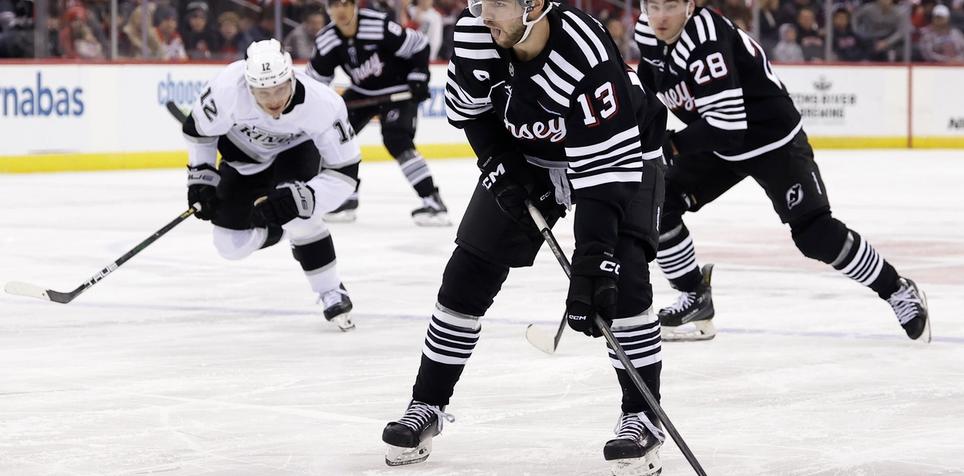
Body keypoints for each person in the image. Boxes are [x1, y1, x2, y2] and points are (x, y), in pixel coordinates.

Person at [380, 0, 668, 473]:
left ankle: (642, 416)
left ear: (535, 5)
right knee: (467, 274)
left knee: (624, 280)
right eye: (480, 1)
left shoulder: (584, 53)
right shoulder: (476, 35)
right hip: (530, 156)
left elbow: (605, 178)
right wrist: (499, 164)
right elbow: (471, 112)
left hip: (625, 154)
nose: (484, 14)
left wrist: (593, 263)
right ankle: (426, 404)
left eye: (498, 2)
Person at [634, 0, 931, 342]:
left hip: (771, 140)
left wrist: (669, 146)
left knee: (815, 234)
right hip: (719, 141)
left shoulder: (706, 40)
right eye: (653, 6)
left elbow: (728, 126)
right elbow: (651, 83)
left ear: (689, 6)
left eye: (670, 6)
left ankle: (897, 289)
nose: (660, 16)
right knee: (661, 202)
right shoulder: (648, 31)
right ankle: (694, 296)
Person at [182, 39, 360, 332]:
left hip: (297, 152)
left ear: (291, 78)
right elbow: (199, 132)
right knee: (229, 246)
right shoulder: (227, 89)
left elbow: (345, 173)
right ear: (249, 86)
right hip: (245, 160)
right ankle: (282, 227)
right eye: (263, 92)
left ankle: (331, 291)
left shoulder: (323, 103)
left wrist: (305, 198)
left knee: (300, 216)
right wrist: (201, 179)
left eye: (279, 88)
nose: (273, 99)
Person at [306, 0, 451, 226]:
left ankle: (433, 201)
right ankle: (346, 197)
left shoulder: (377, 25)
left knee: (397, 139)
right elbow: (314, 82)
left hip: (398, 89)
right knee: (334, 136)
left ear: (354, 5)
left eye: (344, 3)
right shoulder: (327, 40)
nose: (340, 10)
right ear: (328, 9)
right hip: (363, 91)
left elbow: (419, 44)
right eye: (334, 5)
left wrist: (419, 76)